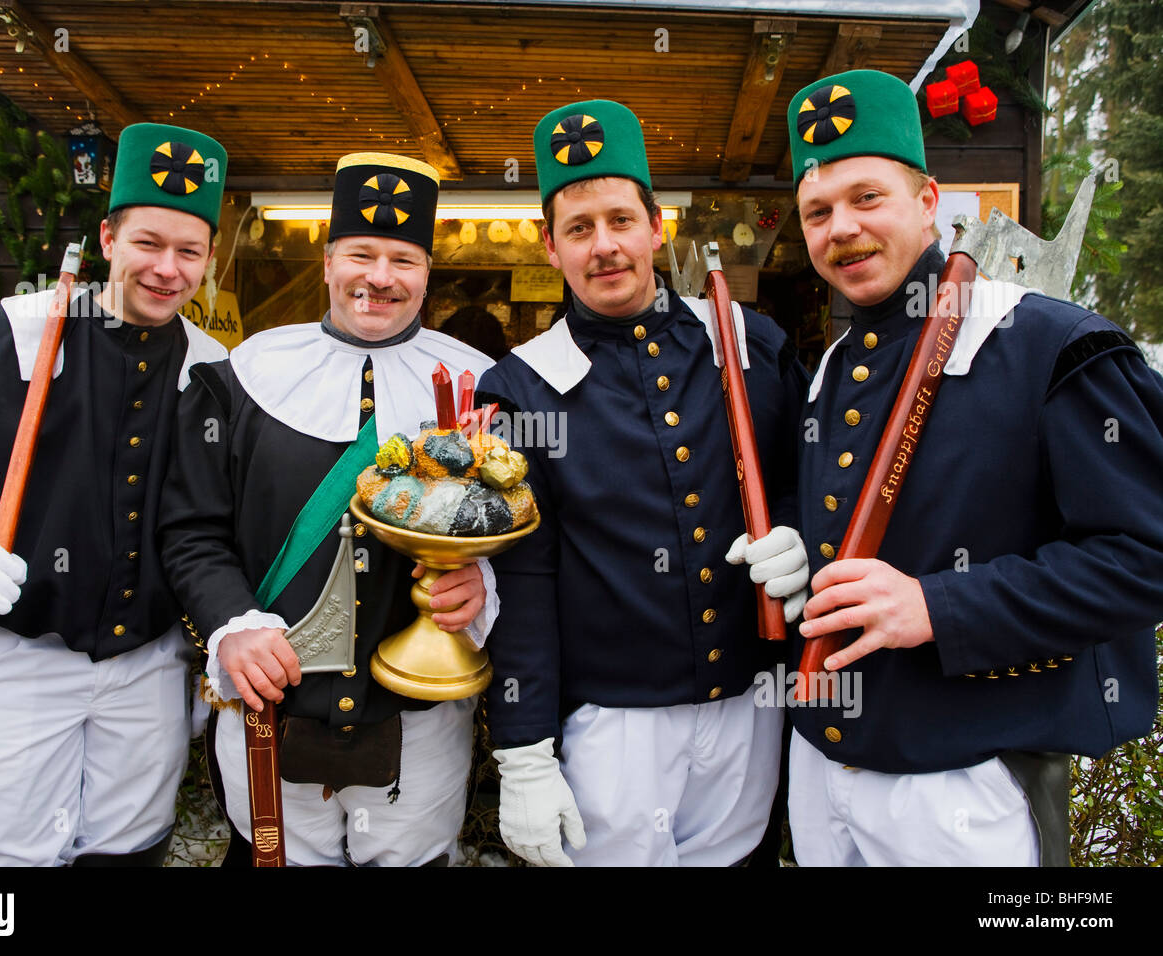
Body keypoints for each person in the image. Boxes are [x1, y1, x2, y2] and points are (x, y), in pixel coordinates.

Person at [786, 69, 1163, 866]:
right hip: (822, 771)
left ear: (928, 201)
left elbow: (1145, 558)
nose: (840, 229)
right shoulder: (830, 369)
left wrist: (939, 606)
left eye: (866, 198)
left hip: (968, 787)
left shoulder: (1051, 345)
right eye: (817, 211)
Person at [0, 122, 230, 866]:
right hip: (19, 654)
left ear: (209, 258)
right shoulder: (0, 335)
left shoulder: (215, 370)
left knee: (129, 850)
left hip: (150, 665)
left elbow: (212, 520)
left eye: (189, 251)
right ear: (108, 237)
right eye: (149, 243)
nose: (168, 269)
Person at [476, 100, 810, 866]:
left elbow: (808, 478)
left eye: (621, 220)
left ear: (657, 226)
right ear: (549, 245)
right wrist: (523, 753)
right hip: (612, 727)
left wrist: (800, 540)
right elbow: (524, 578)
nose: (605, 247)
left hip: (750, 711)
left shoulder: (750, 344)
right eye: (579, 228)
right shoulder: (520, 388)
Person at [158, 152, 496, 867]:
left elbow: (519, 535)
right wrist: (231, 625)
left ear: (426, 273)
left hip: (422, 723)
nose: (380, 277)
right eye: (361, 255)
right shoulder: (239, 379)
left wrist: (482, 588)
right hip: (269, 709)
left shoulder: (480, 387)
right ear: (328, 261)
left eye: (403, 259)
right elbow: (192, 531)